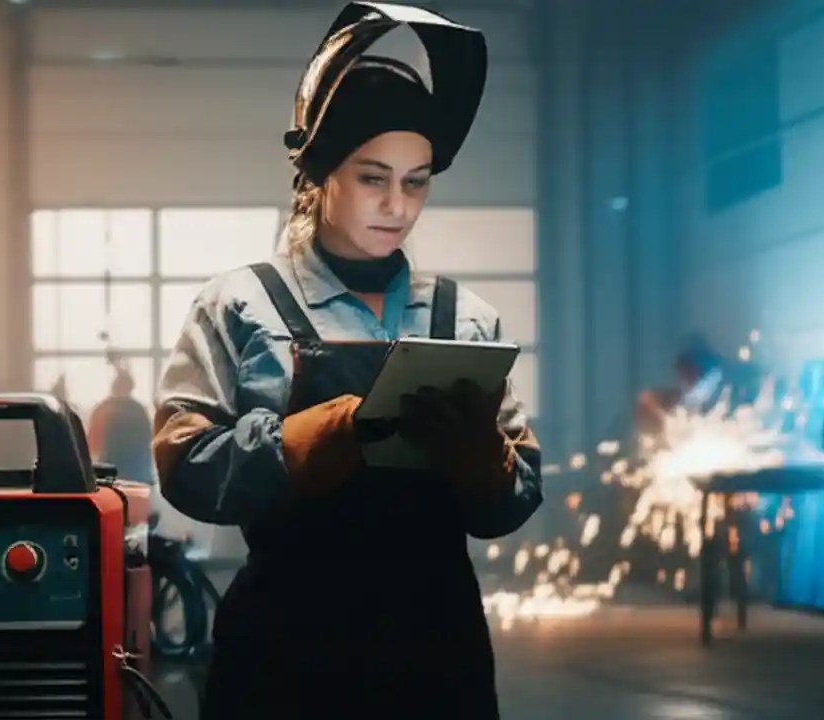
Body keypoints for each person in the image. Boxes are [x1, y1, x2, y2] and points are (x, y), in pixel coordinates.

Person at [150, 4, 541, 718]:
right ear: (321, 171)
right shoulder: (239, 306)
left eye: (416, 181)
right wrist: (318, 439)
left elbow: (515, 497)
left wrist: (480, 458)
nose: (397, 205)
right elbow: (186, 466)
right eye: (373, 177)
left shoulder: (468, 321)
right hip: (284, 649)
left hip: (435, 647)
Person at [85, 360, 157, 485]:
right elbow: (151, 443)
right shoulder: (139, 411)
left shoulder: (104, 410)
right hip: (140, 479)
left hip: (112, 479)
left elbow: (91, 446)